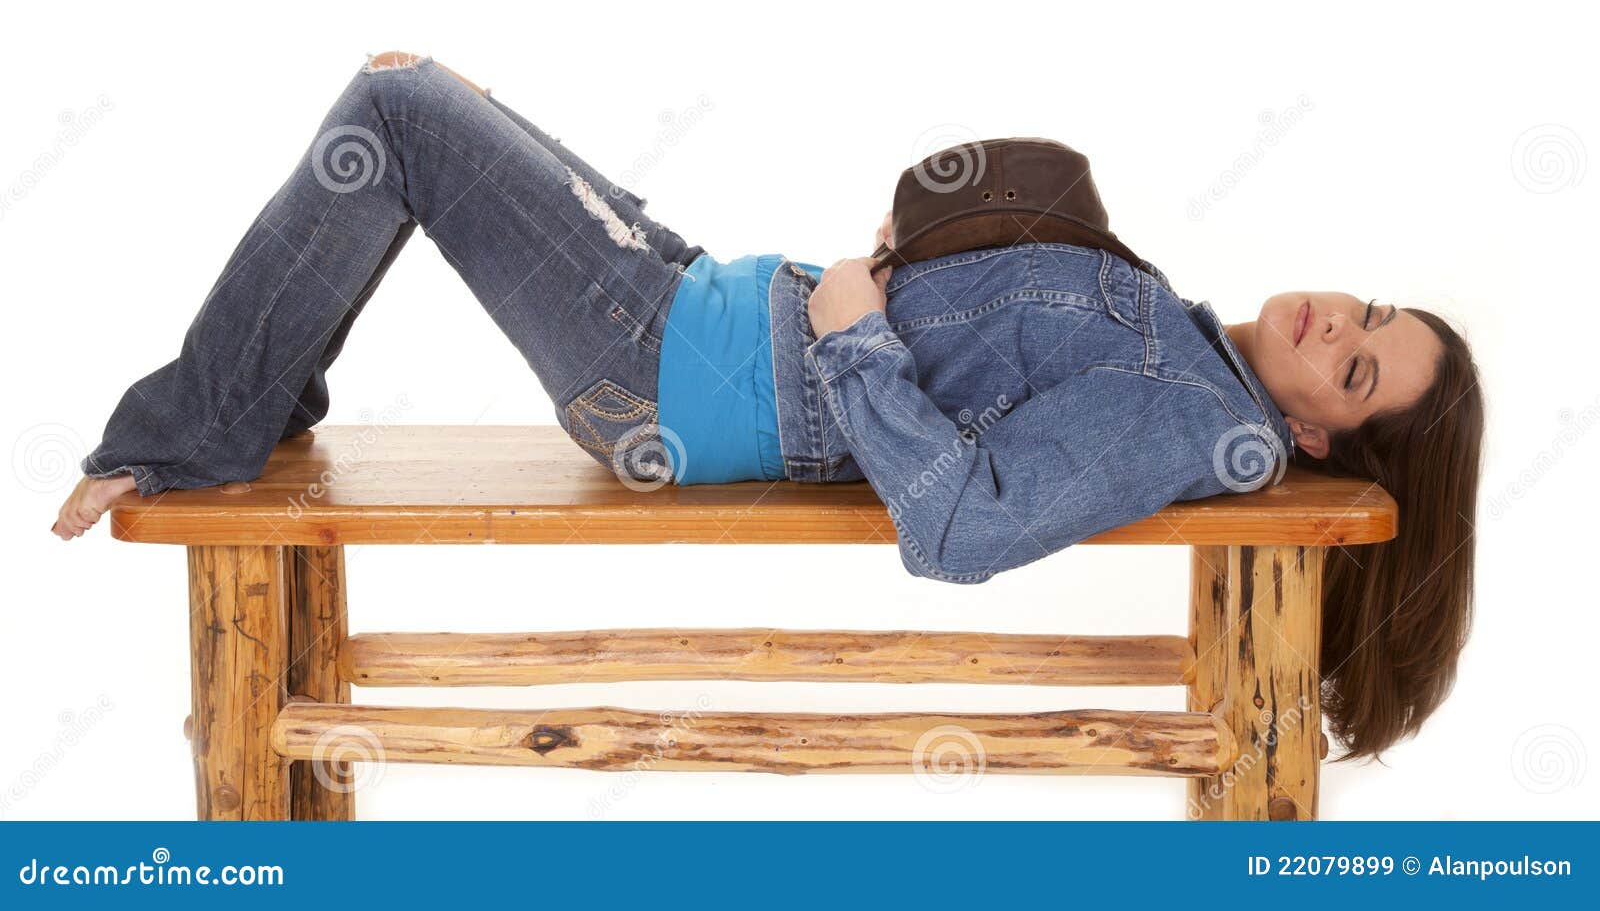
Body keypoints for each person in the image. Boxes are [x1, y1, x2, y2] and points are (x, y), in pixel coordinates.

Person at [50, 52, 1483, 759]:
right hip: (701, 301)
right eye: (1364, 312)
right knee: (412, 88)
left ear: (1307, 434)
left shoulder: (1190, 416)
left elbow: (961, 525)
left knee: (395, 120)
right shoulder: (1183, 340)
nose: (1333, 324)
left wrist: (860, 333)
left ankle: (201, 422)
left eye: (1355, 367)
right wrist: (904, 287)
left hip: (670, 371)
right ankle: (267, 385)